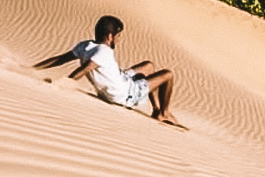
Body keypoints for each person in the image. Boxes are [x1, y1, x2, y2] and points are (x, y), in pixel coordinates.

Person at [34, 15, 180, 125]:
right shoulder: (104, 52)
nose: (118, 40)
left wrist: (34, 68)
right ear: (110, 36)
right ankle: (164, 113)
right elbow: (86, 68)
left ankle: (156, 109)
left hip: (121, 80)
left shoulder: (85, 45)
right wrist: (65, 82)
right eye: (118, 36)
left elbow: (60, 59)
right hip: (125, 94)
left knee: (148, 66)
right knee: (168, 74)